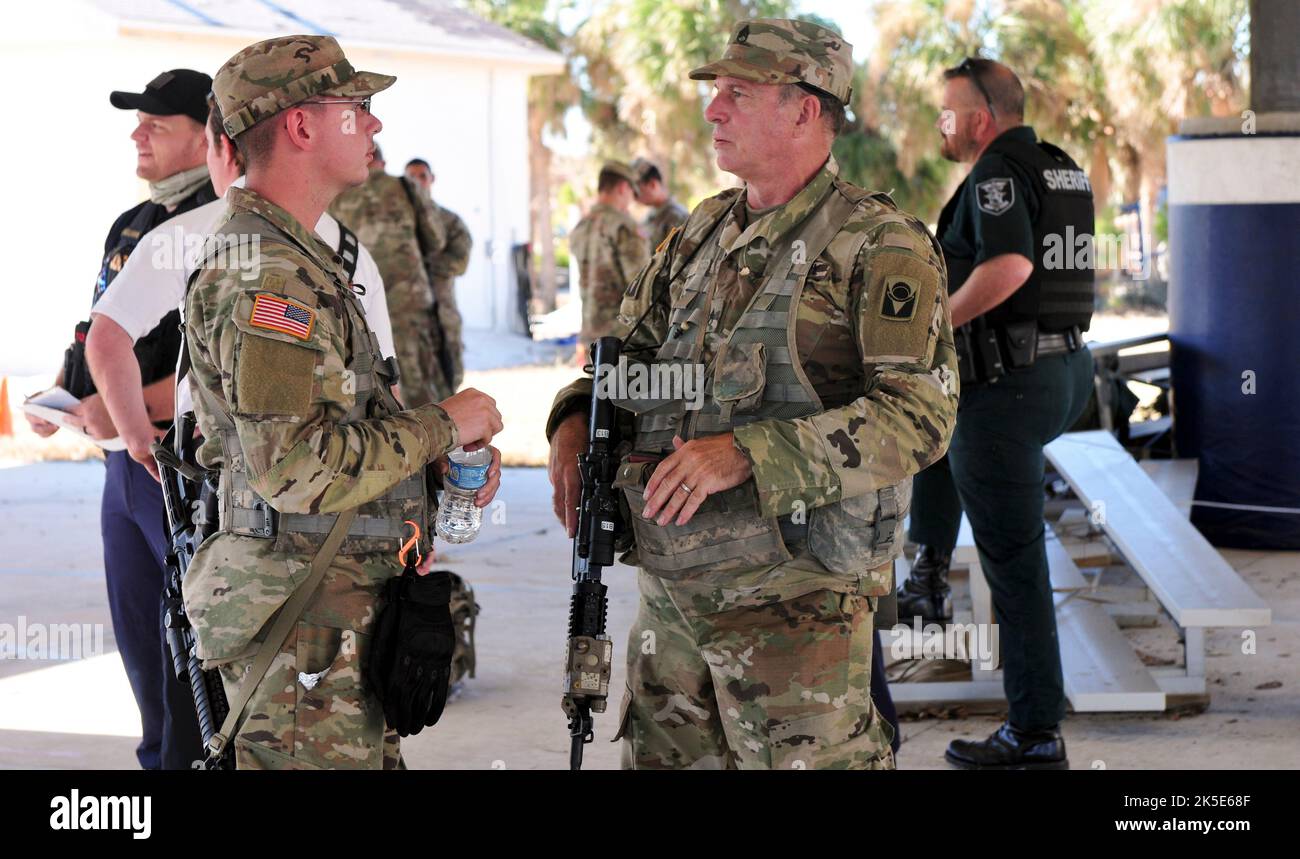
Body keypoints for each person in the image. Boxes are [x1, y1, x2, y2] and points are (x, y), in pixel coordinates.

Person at [546, 18, 958, 769]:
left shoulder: (879, 244)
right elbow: (630, 362)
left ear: (806, 108)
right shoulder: (698, 234)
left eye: (738, 92)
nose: (713, 109)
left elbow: (920, 416)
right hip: (671, 608)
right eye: (716, 91)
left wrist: (747, 452)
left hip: (795, 613)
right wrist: (575, 418)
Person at [185, 34, 503, 769]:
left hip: (335, 615)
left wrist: (435, 465)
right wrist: (439, 423)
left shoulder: (301, 254)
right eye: (358, 107)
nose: (377, 126)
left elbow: (329, 428)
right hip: (304, 627)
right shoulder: (268, 275)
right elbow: (295, 467)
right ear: (300, 126)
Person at [899, 58, 1095, 770]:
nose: (941, 125)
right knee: (943, 426)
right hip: (1065, 369)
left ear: (981, 117)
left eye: (947, 113)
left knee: (1014, 561)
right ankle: (926, 571)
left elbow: (1009, 267)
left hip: (1012, 383)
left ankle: (1034, 732)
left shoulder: (996, 173)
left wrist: (934, 329)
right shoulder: (1061, 166)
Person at [25, 68, 217, 770]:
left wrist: (133, 404)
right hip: (119, 465)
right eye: (139, 123)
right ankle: (156, 758)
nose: (138, 134)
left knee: (190, 641)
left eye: (157, 125)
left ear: (206, 137)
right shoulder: (133, 222)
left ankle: (187, 760)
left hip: (181, 462)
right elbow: (98, 327)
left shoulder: (222, 224)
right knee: (139, 635)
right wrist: (63, 391)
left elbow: (218, 361)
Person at [87, 94, 397, 482]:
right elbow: (388, 387)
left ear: (225, 147)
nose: (371, 124)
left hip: (218, 486)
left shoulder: (182, 235)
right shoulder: (352, 250)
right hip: (341, 481)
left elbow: (107, 336)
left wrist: (136, 437)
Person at [330, 147, 450, 406]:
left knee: (377, 384)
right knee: (420, 385)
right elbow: (436, 239)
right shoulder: (406, 187)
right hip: (410, 301)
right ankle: (432, 441)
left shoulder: (337, 196)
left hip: (360, 305)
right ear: (381, 163)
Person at [568, 160, 648, 366]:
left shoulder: (581, 227)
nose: (631, 200)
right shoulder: (624, 226)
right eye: (632, 192)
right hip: (621, 342)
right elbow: (642, 287)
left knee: (595, 397)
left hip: (590, 339)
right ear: (623, 188)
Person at [405, 157, 472, 392]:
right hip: (404, 320)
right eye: (411, 178)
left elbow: (460, 261)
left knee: (448, 382)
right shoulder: (397, 224)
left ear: (431, 179)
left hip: (442, 315)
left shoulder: (448, 221)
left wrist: (419, 264)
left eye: (422, 176)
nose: (417, 182)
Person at [630, 157, 688, 254]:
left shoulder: (677, 217)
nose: (634, 198)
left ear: (653, 184)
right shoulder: (651, 216)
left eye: (636, 193)